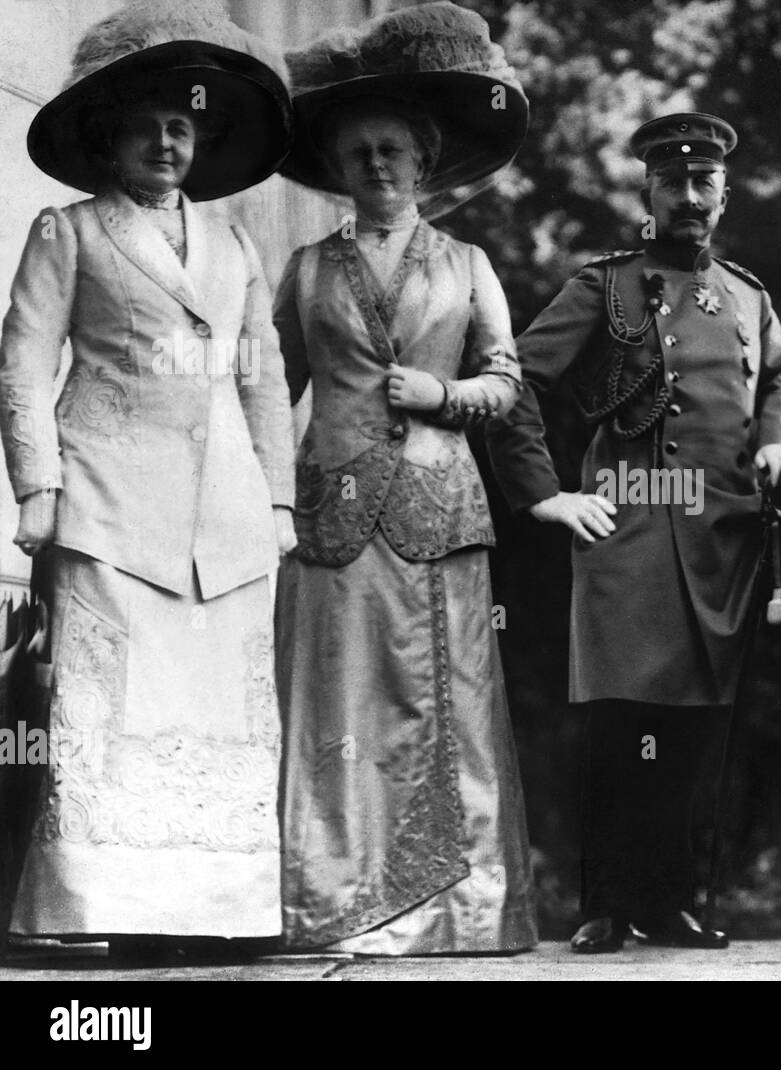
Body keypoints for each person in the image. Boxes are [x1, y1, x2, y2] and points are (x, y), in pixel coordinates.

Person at [0, 1, 296, 960]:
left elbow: (262, 378)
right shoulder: (71, 233)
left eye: (183, 125)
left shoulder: (237, 246)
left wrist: (281, 501)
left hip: (228, 519)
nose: (167, 142)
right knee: (110, 706)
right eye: (148, 125)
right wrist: (36, 492)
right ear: (108, 136)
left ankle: (216, 912)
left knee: (213, 715)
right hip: (108, 503)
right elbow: (22, 364)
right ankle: (102, 909)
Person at [487, 113, 781, 953]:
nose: (691, 197)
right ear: (650, 193)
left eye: (705, 184)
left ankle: (671, 902)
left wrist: (780, 438)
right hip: (628, 529)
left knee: (701, 727)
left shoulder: (748, 296)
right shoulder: (609, 285)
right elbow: (517, 381)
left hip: (723, 539)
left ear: (724, 195)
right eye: (675, 183)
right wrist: (545, 496)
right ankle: (603, 904)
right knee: (620, 718)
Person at [272, 2, 537, 955]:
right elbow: (270, 394)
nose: (376, 165)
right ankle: (333, 906)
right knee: (338, 707)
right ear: (338, 170)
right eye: (358, 153)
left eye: (392, 149)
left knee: (449, 702)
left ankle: (459, 915)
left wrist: (441, 391)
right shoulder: (305, 270)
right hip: (333, 510)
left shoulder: (467, 265)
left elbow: (507, 383)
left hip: (439, 504)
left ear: (424, 162)